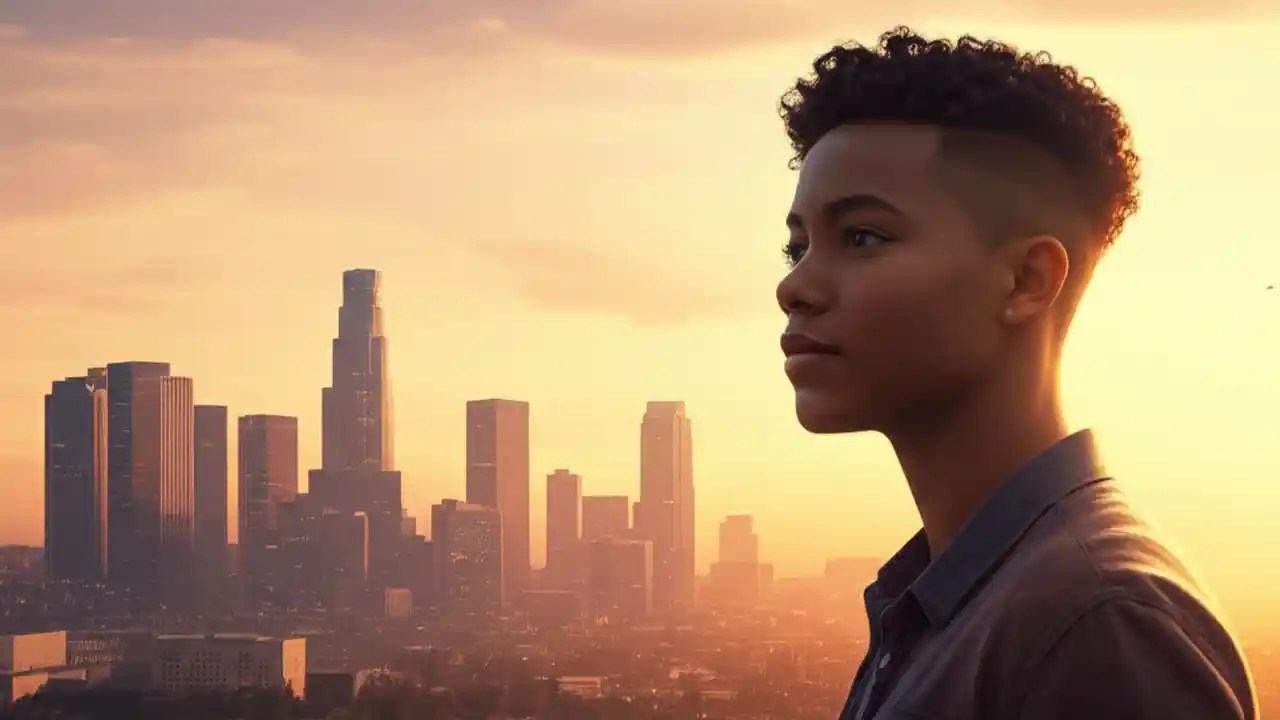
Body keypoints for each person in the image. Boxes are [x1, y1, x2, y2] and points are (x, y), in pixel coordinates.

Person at [775, 26, 1257, 720]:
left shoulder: (1097, 628)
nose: (795, 286)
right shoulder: (970, 601)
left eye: (862, 237)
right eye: (795, 246)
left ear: (1027, 281)